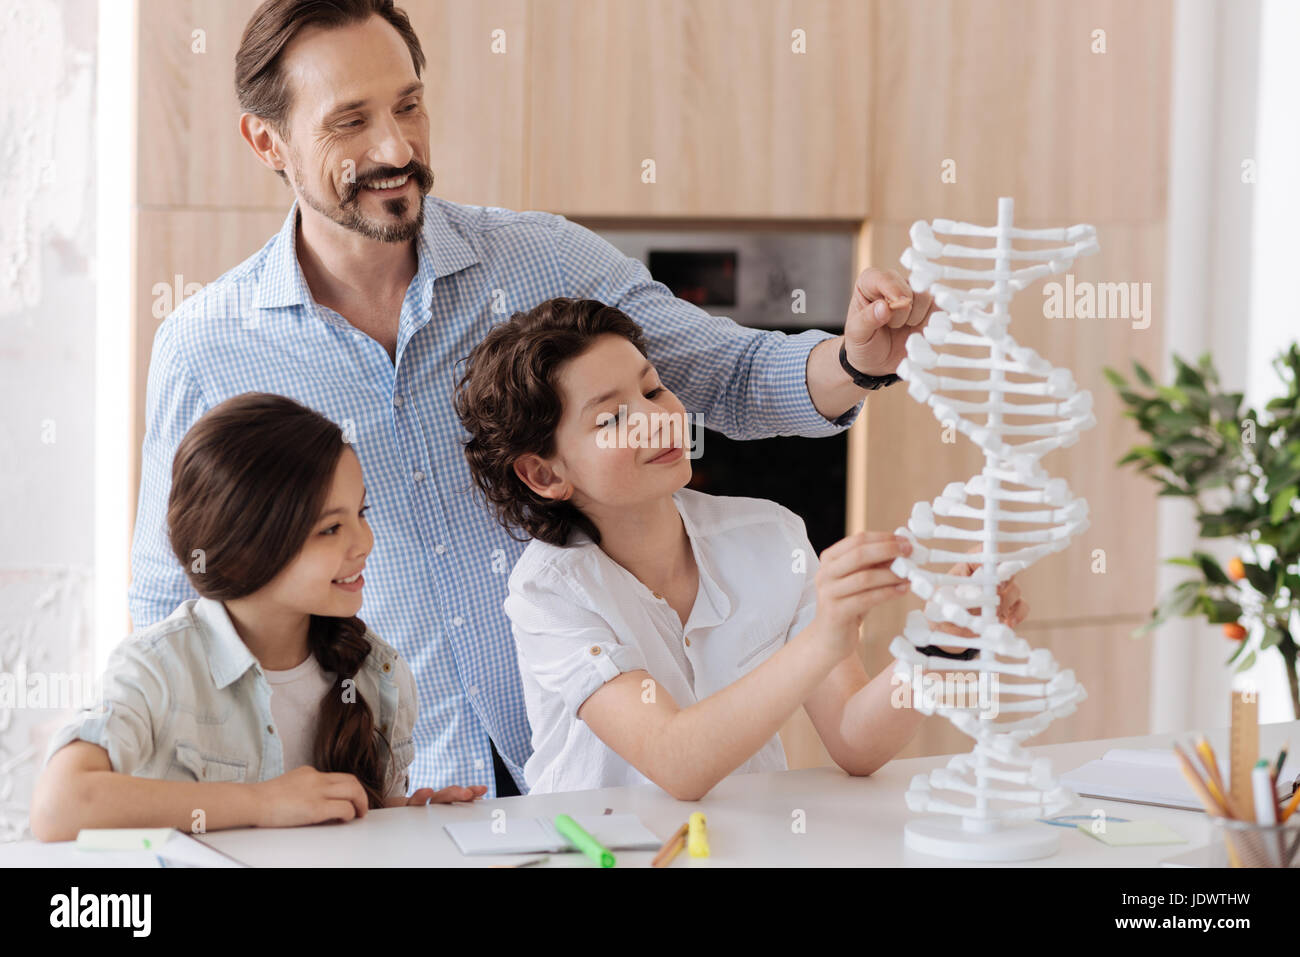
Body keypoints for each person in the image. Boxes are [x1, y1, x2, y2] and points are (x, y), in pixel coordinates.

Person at [131, 0, 938, 800]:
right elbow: (173, 603)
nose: (396, 146)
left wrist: (856, 360)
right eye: (350, 122)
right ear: (266, 140)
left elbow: (723, 374)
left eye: (409, 105)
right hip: (392, 798)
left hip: (600, 778)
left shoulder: (542, 258)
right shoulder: (208, 344)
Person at [455, 298, 1028, 797]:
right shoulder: (549, 593)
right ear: (544, 474)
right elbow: (675, 761)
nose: (657, 419)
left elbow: (856, 740)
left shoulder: (769, 536)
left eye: (653, 388)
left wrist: (940, 647)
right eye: (612, 418)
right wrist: (825, 637)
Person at [31, 394, 485, 841]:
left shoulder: (378, 675)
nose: (364, 541)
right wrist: (262, 803)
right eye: (330, 528)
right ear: (248, 547)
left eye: (361, 512)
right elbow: (59, 807)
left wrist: (409, 820)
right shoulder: (157, 670)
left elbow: (352, 835)